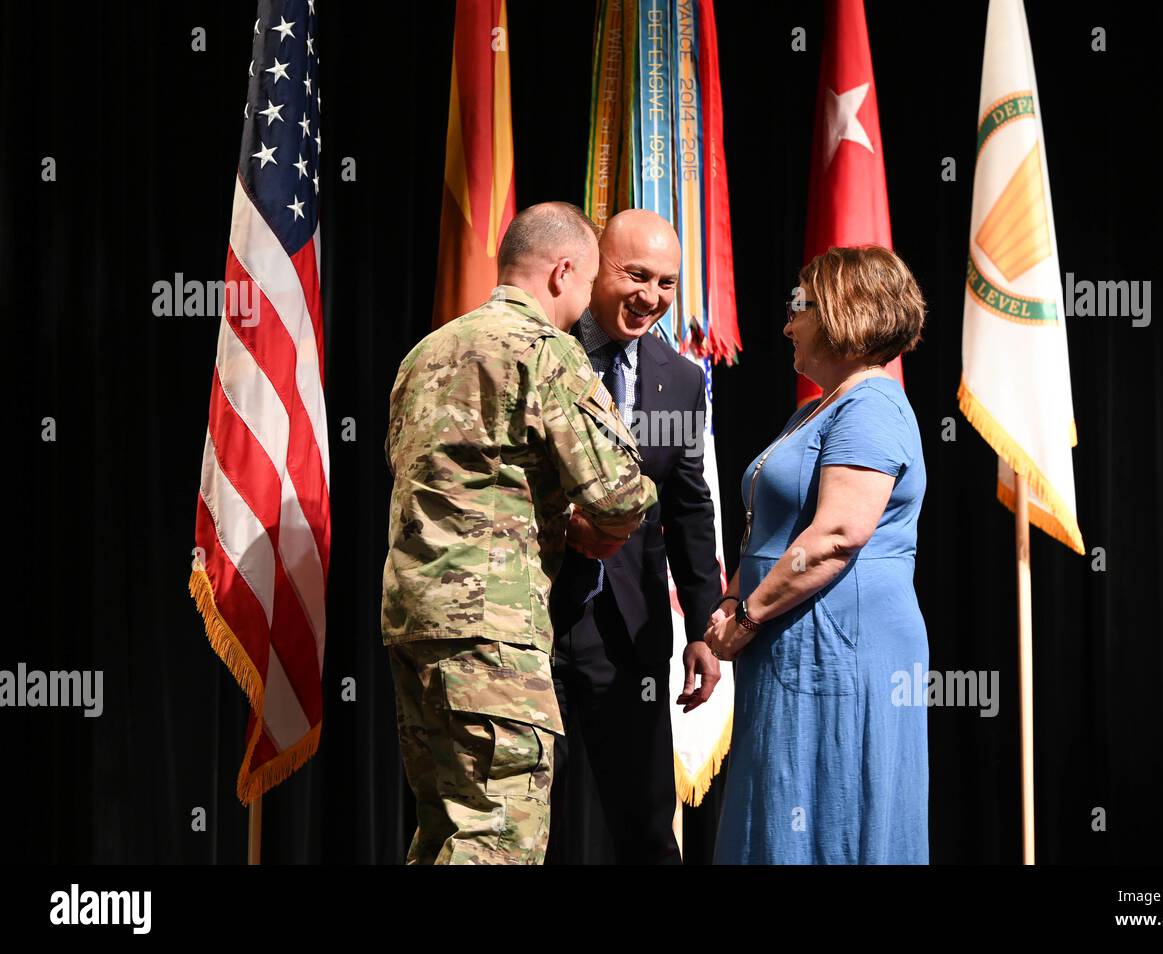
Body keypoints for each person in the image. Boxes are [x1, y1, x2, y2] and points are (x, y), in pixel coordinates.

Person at [382, 201, 658, 865]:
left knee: (443, 834)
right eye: (590, 284)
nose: (589, 303)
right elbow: (619, 492)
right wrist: (598, 524)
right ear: (565, 272)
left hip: (414, 624)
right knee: (500, 839)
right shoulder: (544, 350)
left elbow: (443, 477)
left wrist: (558, 516)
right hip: (494, 631)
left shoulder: (428, 351)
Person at [707, 244, 929, 864]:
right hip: (790, 643)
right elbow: (768, 524)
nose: (787, 323)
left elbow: (836, 536)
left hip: (838, 651)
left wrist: (749, 617)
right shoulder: (813, 409)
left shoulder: (872, 405)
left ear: (842, 310)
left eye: (798, 307)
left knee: (827, 813)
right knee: (777, 809)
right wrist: (731, 599)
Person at [544, 209, 722, 865]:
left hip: (627, 635)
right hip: (525, 620)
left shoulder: (678, 379)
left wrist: (702, 627)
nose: (652, 297)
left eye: (668, 283)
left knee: (647, 830)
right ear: (594, 266)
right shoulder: (536, 351)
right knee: (526, 829)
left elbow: (689, 507)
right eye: (636, 275)